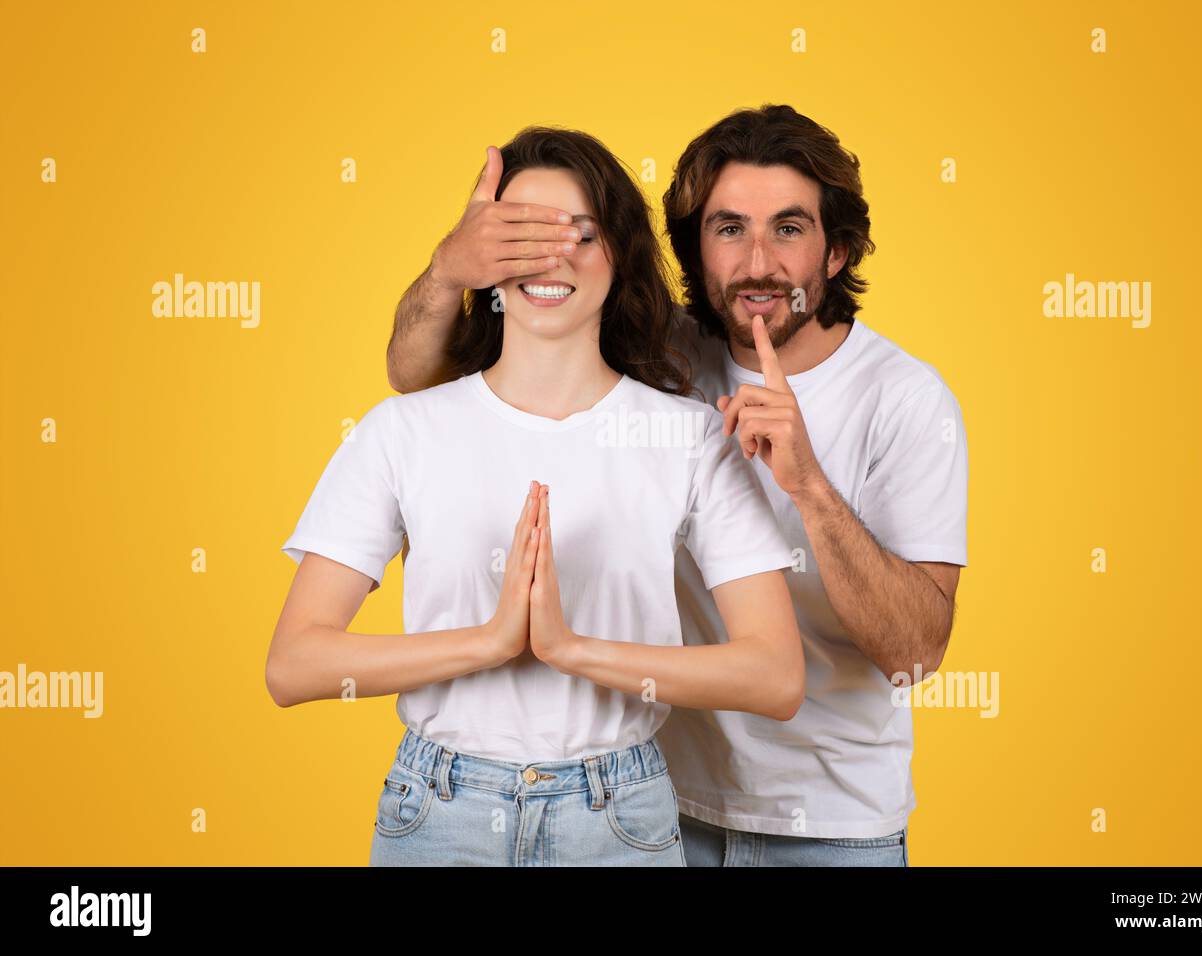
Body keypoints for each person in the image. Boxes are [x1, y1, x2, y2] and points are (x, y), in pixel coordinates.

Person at [385, 104, 969, 867]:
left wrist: (810, 487)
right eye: (729, 229)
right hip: (652, 810)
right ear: (696, 250)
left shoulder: (907, 399)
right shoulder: (657, 358)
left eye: (789, 229)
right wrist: (451, 271)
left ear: (837, 252)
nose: (758, 261)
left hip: (833, 825)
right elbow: (419, 381)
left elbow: (915, 657)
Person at [266, 126, 804, 867]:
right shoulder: (400, 432)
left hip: (618, 817)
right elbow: (293, 666)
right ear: (482, 263)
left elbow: (775, 675)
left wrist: (574, 651)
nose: (551, 260)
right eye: (519, 237)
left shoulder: (688, 438)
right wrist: (488, 644)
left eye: (582, 235)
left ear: (620, 256)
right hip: (439, 812)